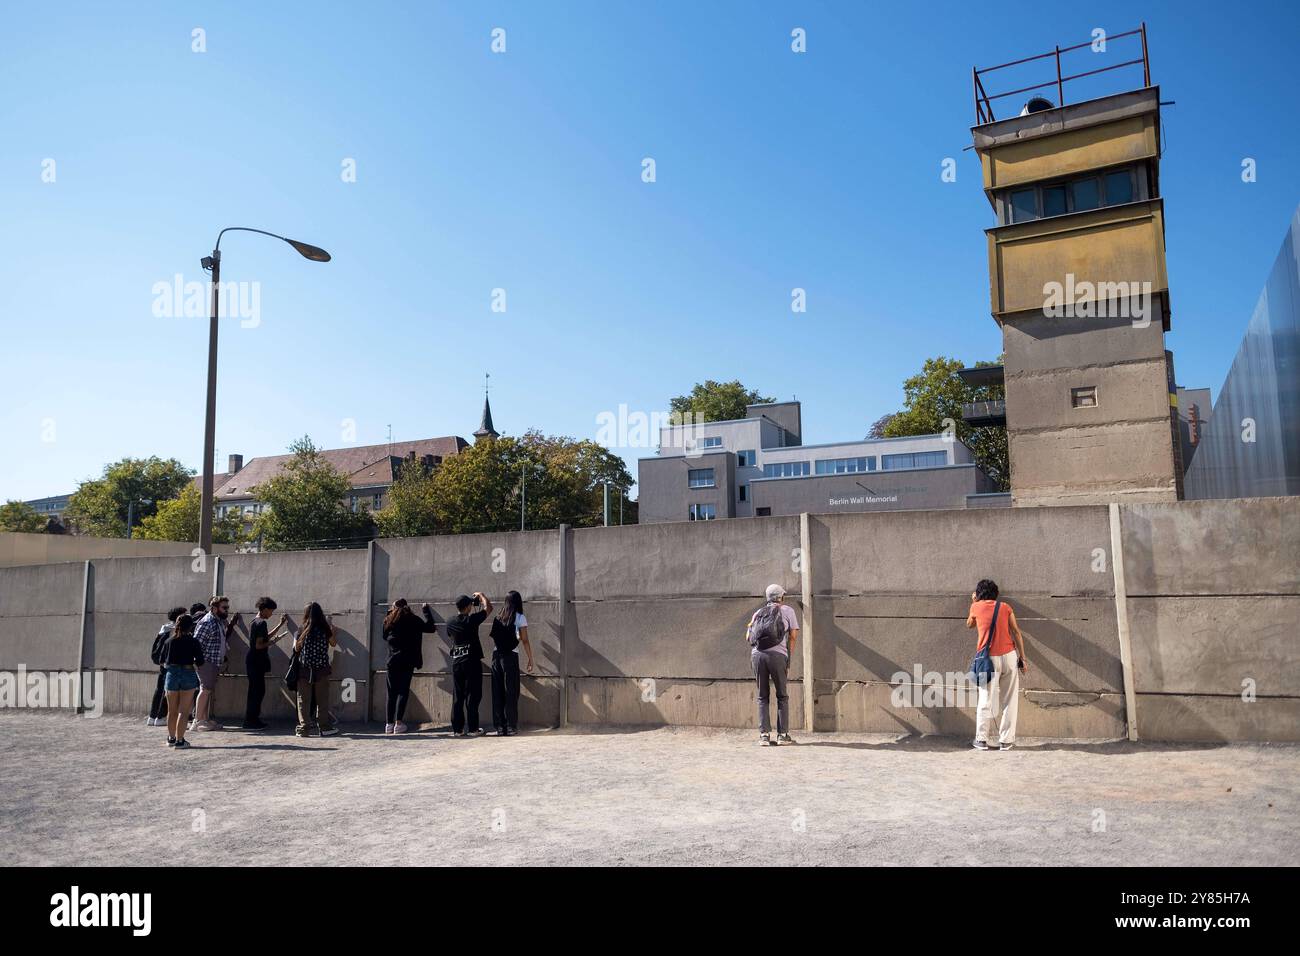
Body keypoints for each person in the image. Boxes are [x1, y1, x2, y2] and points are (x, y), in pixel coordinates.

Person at [966, 578, 1029, 751]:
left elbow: (969, 625)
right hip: (1009, 656)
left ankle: (981, 740)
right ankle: (1006, 741)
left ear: (979, 594)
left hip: (989, 660)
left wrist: (974, 602)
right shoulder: (1005, 607)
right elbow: (1016, 632)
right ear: (996, 594)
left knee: (985, 699)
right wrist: (1022, 658)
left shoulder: (975, 607)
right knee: (1010, 699)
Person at [430, 592, 491, 737]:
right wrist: (481, 596)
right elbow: (489, 608)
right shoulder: (471, 620)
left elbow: (451, 636)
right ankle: (473, 729)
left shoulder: (450, 621)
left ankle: (457, 729)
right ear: (468, 607)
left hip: (457, 662)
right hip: (472, 662)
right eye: (470, 604)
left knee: (458, 696)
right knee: (473, 695)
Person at [745, 584, 799, 746]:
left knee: (762, 695)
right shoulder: (788, 611)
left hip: (758, 656)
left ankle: (764, 736)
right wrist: (787, 656)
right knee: (782, 695)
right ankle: (782, 735)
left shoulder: (758, 613)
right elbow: (793, 636)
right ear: (781, 597)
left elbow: (748, 637)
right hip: (778, 656)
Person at [382, 599, 437, 734]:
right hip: (408, 661)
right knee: (403, 691)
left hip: (392, 661)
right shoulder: (413, 619)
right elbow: (430, 628)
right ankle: (398, 723)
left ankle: (389, 724)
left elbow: (384, 636)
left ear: (394, 607)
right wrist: (426, 611)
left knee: (391, 692)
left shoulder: (388, 620)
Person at [190, 596, 242, 732]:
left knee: (207, 691)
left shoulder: (218, 621)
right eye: (224, 608)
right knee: (205, 690)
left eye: (227, 607)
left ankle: (204, 719)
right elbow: (197, 643)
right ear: (214, 608)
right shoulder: (207, 622)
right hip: (206, 662)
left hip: (213, 661)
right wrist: (199, 662)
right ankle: (198, 721)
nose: (227, 610)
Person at [489, 590, 534, 736]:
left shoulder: (498, 616)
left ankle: (499, 727)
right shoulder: (520, 617)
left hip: (496, 657)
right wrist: (530, 658)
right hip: (511, 656)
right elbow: (525, 639)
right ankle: (510, 726)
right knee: (511, 691)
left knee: (497, 692)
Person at [292, 602, 339, 737]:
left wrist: (296, 638)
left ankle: (304, 728)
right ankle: (324, 727)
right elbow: (333, 643)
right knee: (322, 700)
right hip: (321, 669)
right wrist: (334, 631)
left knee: (303, 700)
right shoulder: (325, 629)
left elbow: (296, 649)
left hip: (304, 669)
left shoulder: (302, 629)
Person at [243, 597, 289, 730]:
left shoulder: (256, 621)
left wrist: (279, 626)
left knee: (256, 691)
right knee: (257, 691)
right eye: (270, 611)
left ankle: (252, 719)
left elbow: (264, 637)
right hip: (256, 661)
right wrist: (274, 642)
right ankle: (251, 720)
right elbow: (259, 645)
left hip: (254, 661)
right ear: (264, 609)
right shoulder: (260, 623)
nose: (271, 614)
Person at [162, 614, 204, 749]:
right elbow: (200, 661)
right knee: (184, 711)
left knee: (171, 710)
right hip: (187, 673)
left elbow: (161, 659)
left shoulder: (169, 641)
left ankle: (171, 738)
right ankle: (180, 740)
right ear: (191, 626)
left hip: (171, 674)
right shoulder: (193, 641)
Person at [148, 606, 186, 726]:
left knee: (159, 690)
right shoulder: (174, 630)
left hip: (162, 663)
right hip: (170, 664)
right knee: (168, 692)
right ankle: (161, 716)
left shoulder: (164, 628)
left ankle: (152, 716)